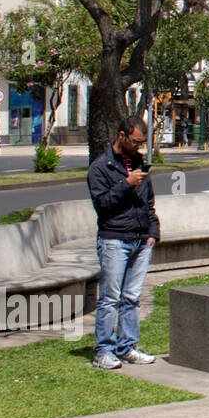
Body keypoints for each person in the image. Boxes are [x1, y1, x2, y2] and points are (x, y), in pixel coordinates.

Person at [88, 116, 160, 370]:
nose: (139, 147)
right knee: (110, 298)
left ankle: (128, 347)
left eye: (142, 143)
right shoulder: (101, 167)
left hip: (141, 240)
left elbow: (148, 201)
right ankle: (104, 351)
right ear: (121, 136)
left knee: (132, 297)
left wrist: (153, 232)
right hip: (114, 239)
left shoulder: (139, 163)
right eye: (135, 142)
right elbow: (102, 205)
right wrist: (126, 184)